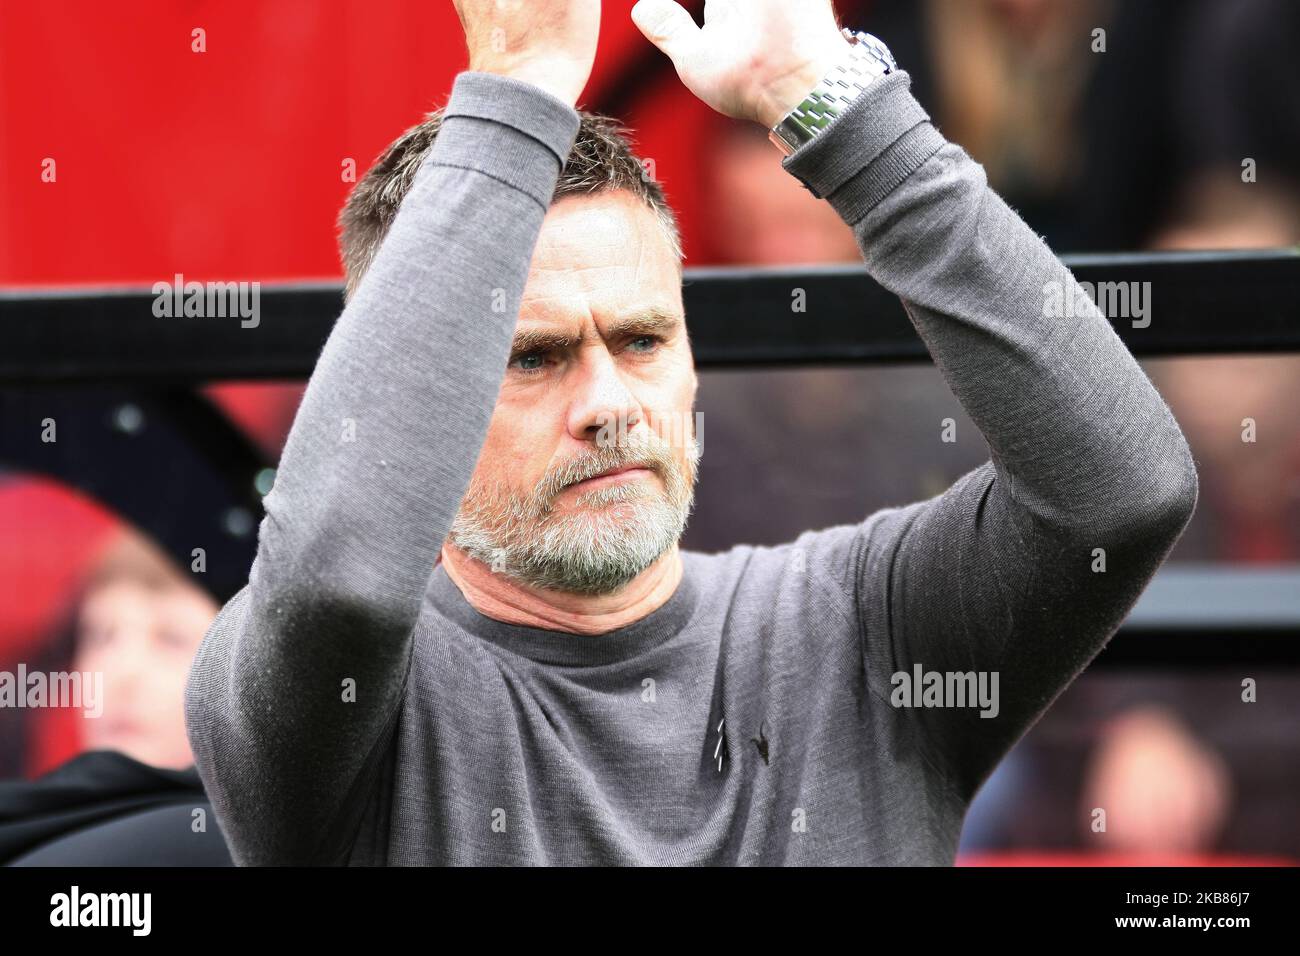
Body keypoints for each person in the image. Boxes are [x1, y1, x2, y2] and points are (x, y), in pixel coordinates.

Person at [184, 0, 1198, 865]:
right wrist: (518, 89)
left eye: (641, 338)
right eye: (530, 357)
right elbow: (334, 581)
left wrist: (837, 106)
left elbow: (1121, 489)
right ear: (422, 385)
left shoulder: (860, 623)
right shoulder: (345, 709)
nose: (608, 401)